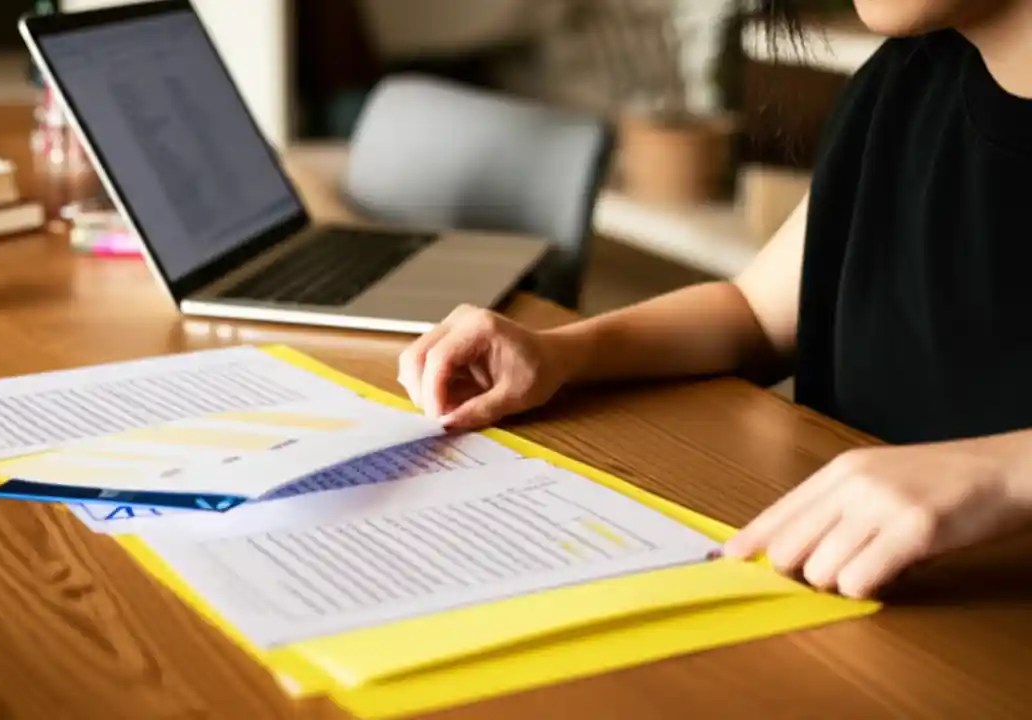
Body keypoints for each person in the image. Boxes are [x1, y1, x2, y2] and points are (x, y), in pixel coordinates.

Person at [397, 0, 1032, 600]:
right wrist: (562, 353)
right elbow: (755, 312)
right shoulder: (904, 80)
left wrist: (1001, 475)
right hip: (850, 594)